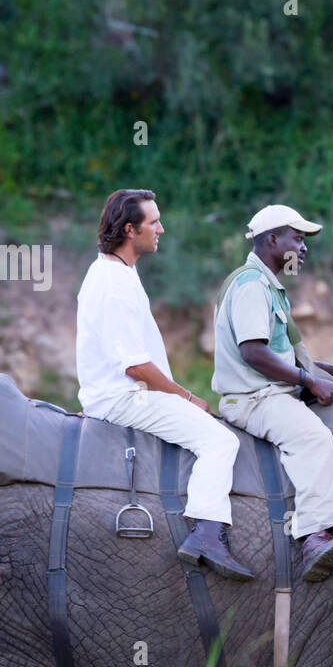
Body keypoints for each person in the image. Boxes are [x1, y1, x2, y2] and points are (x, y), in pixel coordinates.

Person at [75, 188, 252, 581]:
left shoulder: (115, 270)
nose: (161, 229)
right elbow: (136, 367)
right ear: (129, 229)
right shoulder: (114, 283)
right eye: (153, 223)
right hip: (123, 398)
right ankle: (206, 533)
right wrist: (188, 398)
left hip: (124, 393)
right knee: (220, 440)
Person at [213, 204, 333, 582]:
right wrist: (309, 382)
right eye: (298, 238)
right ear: (273, 239)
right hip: (254, 398)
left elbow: (282, 352)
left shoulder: (269, 287)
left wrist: (331, 371)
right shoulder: (251, 286)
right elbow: (253, 352)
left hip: (271, 391)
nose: (304, 247)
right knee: (314, 440)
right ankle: (313, 535)